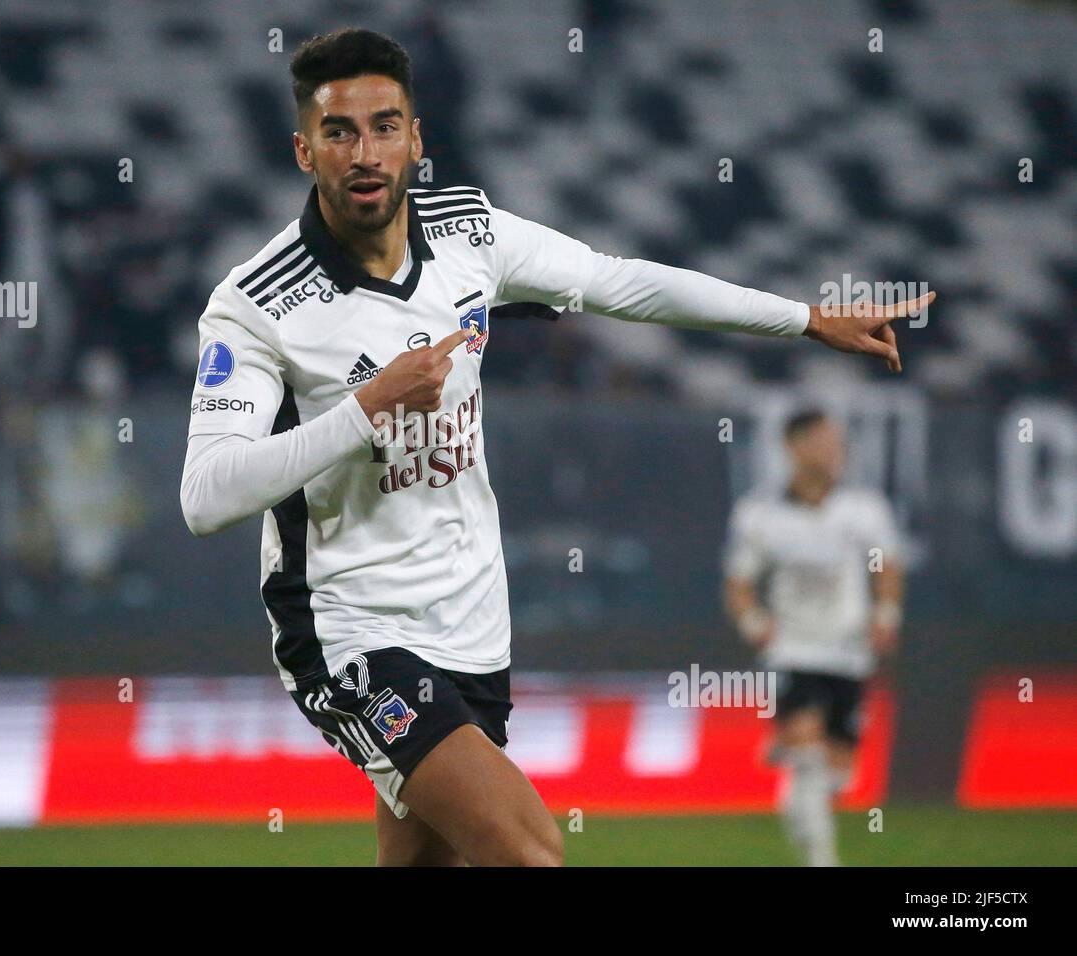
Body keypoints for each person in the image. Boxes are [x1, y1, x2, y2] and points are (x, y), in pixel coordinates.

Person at [180, 28, 930, 866]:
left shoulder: (468, 232)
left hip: (473, 624)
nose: (366, 152)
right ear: (303, 149)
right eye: (340, 132)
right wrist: (366, 406)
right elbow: (207, 496)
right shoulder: (255, 306)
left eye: (386, 126)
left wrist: (803, 317)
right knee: (531, 853)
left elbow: (625, 282)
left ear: (416, 138)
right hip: (350, 629)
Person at [723, 410, 905, 866]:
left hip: (847, 650)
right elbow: (739, 581)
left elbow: (885, 566)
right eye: (824, 442)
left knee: (839, 773)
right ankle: (822, 859)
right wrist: (754, 624)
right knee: (809, 751)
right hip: (793, 648)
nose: (835, 451)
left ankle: (796, 786)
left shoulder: (865, 510)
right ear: (794, 447)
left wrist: (886, 614)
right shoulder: (759, 513)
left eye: (838, 443)